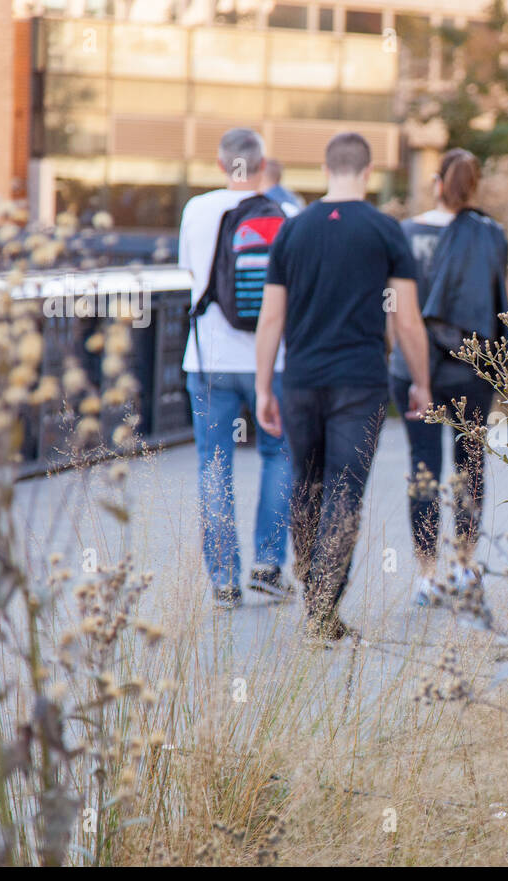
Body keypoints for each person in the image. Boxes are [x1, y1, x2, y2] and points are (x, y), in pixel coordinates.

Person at [254, 132, 432, 643]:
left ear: (327, 169)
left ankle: (315, 596)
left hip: (302, 380)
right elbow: (407, 320)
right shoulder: (385, 231)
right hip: (361, 381)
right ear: (368, 172)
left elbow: (272, 319)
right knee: (343, 493)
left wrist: (265, 388)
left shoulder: (293, 231)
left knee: (305, 487)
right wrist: (420, 381)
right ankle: (320, 608)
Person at [388, 148, 508, 613]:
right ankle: (463, 564)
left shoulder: (407, 232)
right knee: (469, 464)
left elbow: (398, 312)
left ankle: (426, 575)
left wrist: (404, 365)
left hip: (414, 369)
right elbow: (506, 302)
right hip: (471, 369)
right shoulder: (491, 234)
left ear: (438, 183)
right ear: (473, 188)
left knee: (423, 467)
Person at [180, 127, 293, 610]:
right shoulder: (285, 215)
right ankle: (268, 567)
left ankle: (224, 581)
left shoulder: (196, 210)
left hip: (208, 358)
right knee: (280, 455)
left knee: (214, 462)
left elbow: (191, 274)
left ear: (222, 164)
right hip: (274, 360)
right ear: (262, 164)